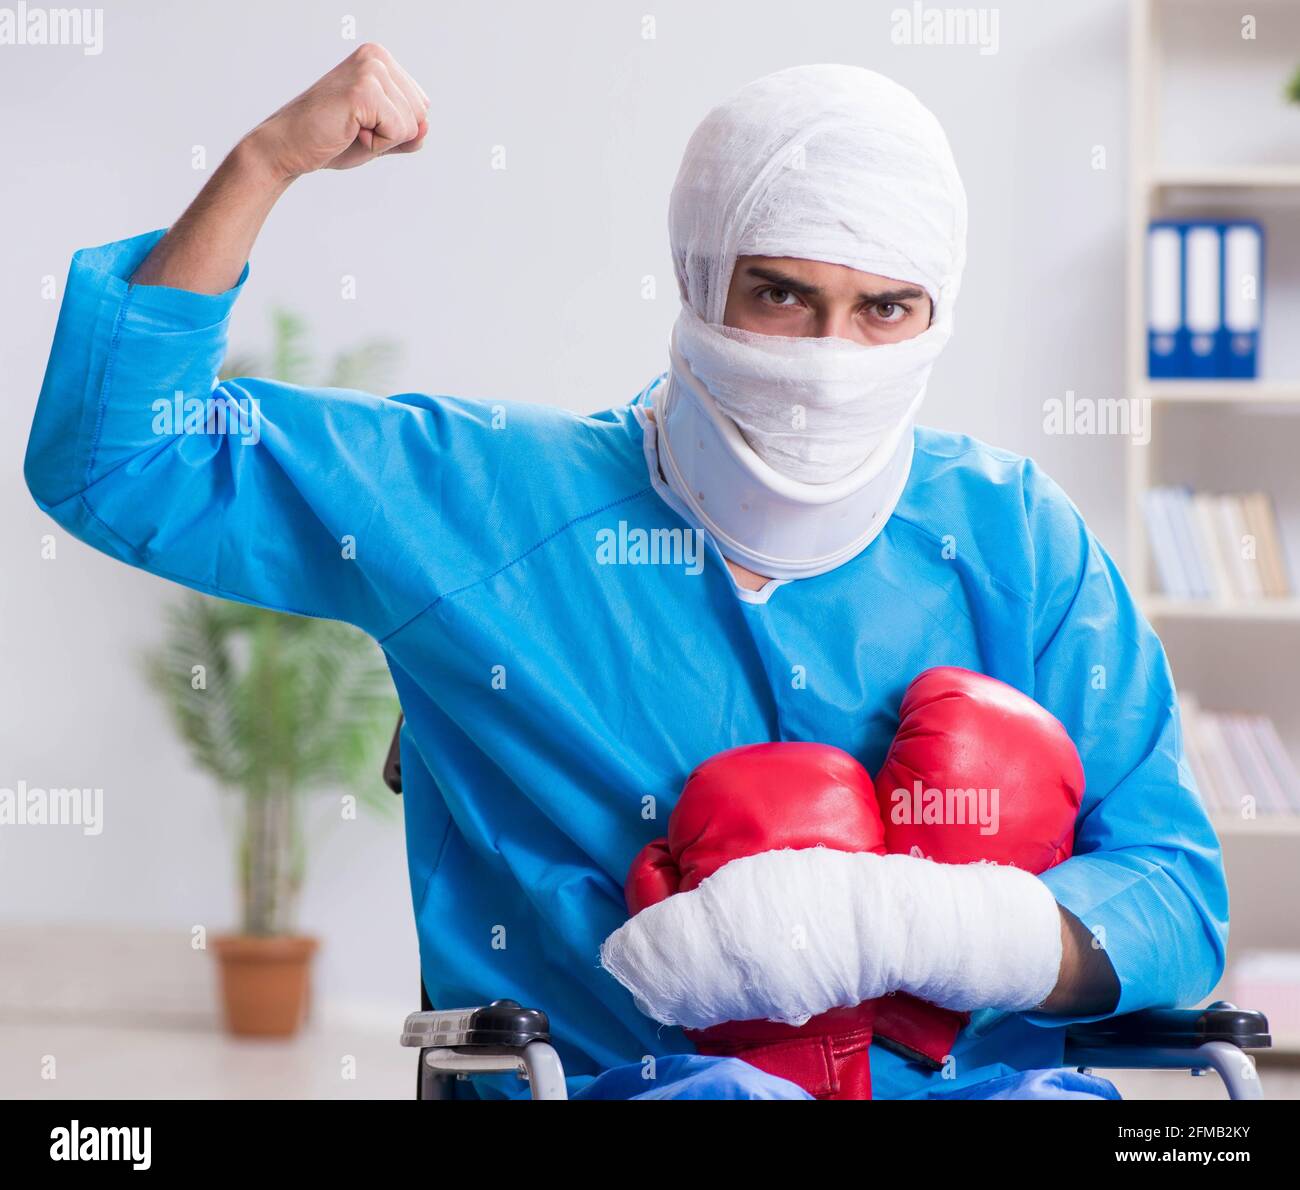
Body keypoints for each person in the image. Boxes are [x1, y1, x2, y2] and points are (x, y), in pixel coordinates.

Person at [25, 46, 1227, 1101]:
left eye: (884, 310)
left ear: (937, 314)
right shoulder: (489, 504)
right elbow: (118, 458)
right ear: (702, 280)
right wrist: (262, 162)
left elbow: (1174, 891)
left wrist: (920, 927)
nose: (827, 358)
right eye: (781, 294)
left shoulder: (1018, 541)